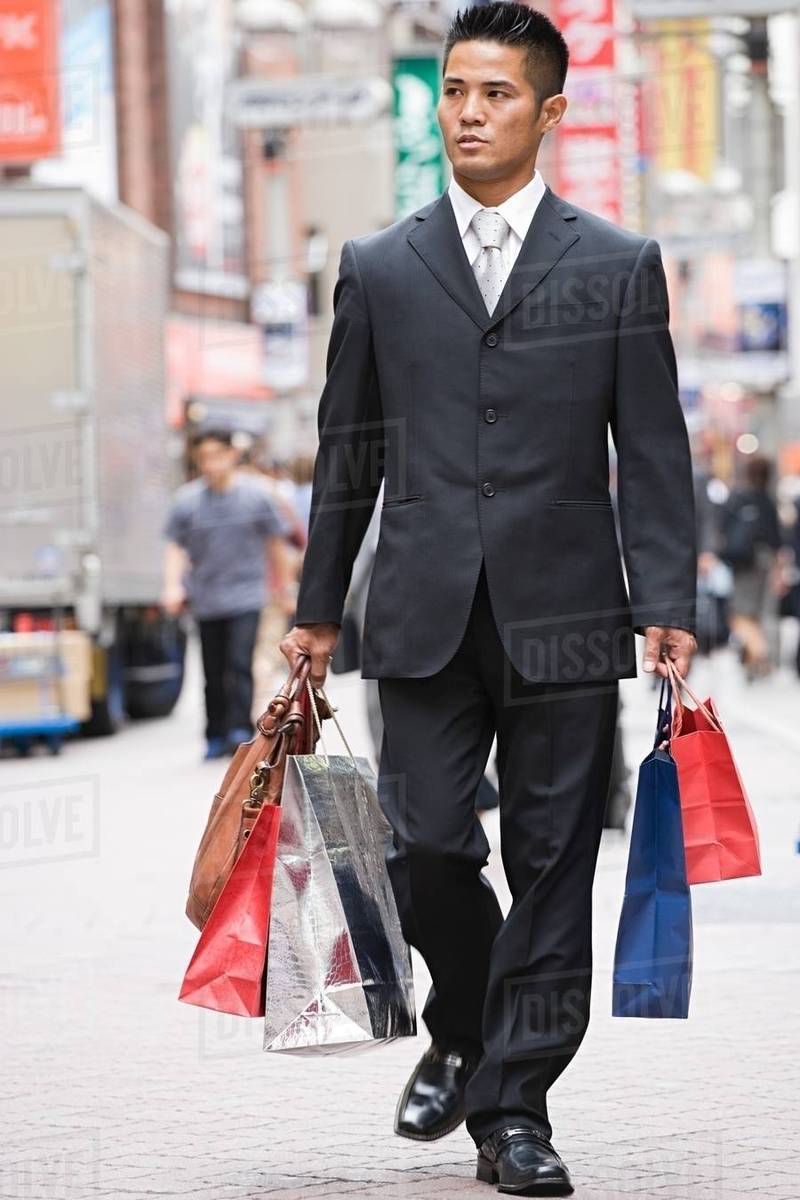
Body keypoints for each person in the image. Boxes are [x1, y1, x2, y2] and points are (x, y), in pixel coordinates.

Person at [280, 6, 698, 1195]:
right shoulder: (378, 266)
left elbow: (653, 448)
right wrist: (317, 610)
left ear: (549, 111)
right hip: (415, 609)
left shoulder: (617, 264)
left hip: (567, 609)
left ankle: (514, 1108)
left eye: (494, 94)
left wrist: (661, 596)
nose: (466, 111)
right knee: (423, 849)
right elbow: (343, 453)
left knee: (556, 856)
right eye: (454, 91)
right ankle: (461, 1026)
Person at [162, 429, 293, 759]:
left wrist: (285, 588)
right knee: (212, 669)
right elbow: (175, 547)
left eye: (217, 456)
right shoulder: (187, 500)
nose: (210, 464)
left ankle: (239, 729)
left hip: (247, 596)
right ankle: (215, 732)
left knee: (238, 663)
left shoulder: (257, 495)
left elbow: (276, 544)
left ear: (232, 455)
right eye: (203, 457)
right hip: (207, 600)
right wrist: (172, 585)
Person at [719, 454, 783, 680]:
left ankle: (759, 651)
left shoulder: (738, 498)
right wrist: (778, 569)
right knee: (760, 612)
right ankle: (753, 662)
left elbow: (723, 529)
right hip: (764, 561)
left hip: (742, 563)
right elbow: (776, 539)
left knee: (739, 614)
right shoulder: (767, 500)